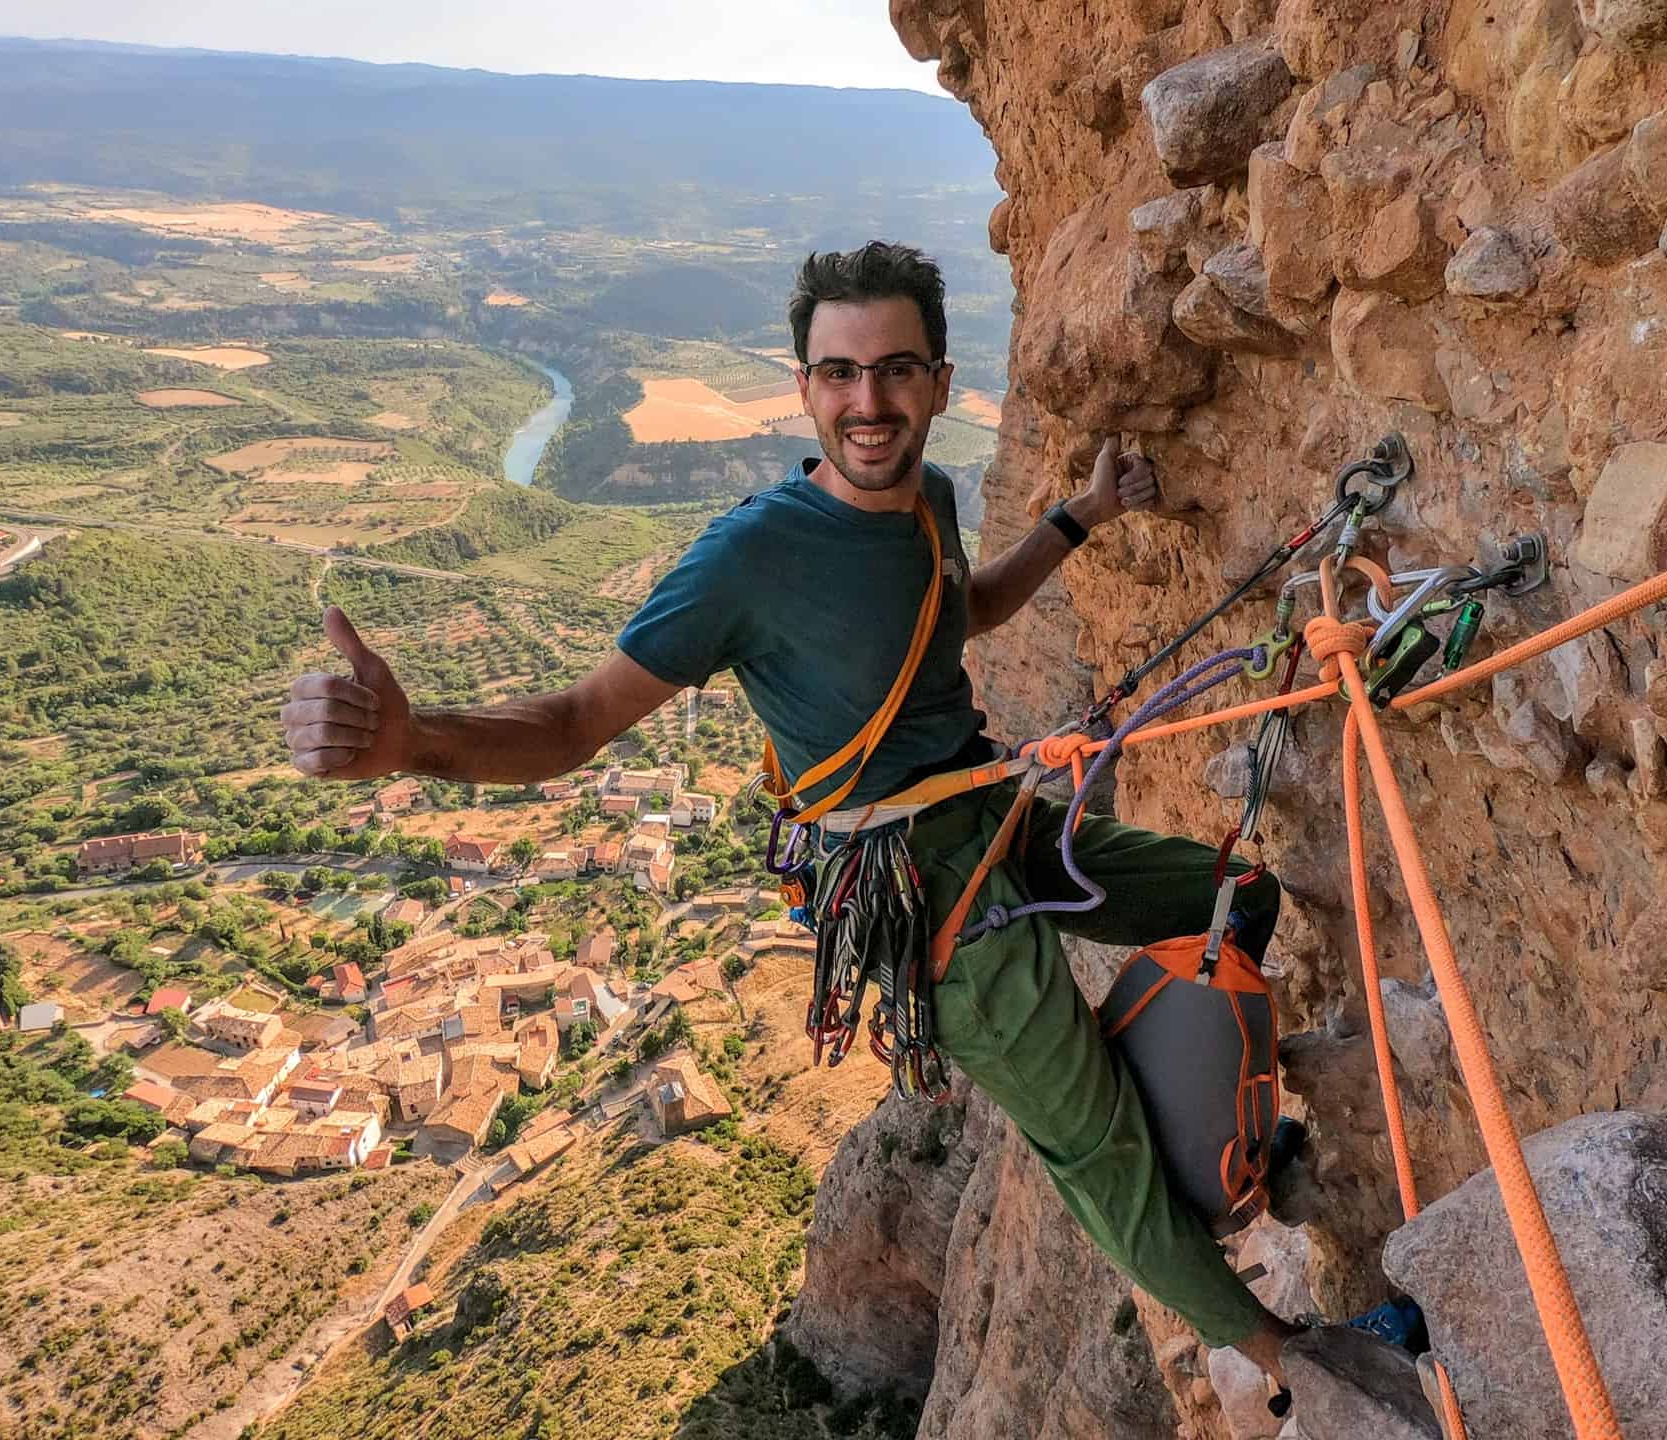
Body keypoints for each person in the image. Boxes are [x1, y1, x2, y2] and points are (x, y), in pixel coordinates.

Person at [279, 241, 1299, 1381]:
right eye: (840, 373)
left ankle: (1223, 1127)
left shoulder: (934, 500)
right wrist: (415, 742)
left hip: (1001, 822)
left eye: (895, 370)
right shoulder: (749, 560)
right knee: (1095, 1145)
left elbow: (958, 618)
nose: (868, 401)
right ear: (805, 386)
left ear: (939, 385)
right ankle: (1288, 1358)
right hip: (923, 904)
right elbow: (576, 722)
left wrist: (1082, 515)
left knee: (1240, 895)